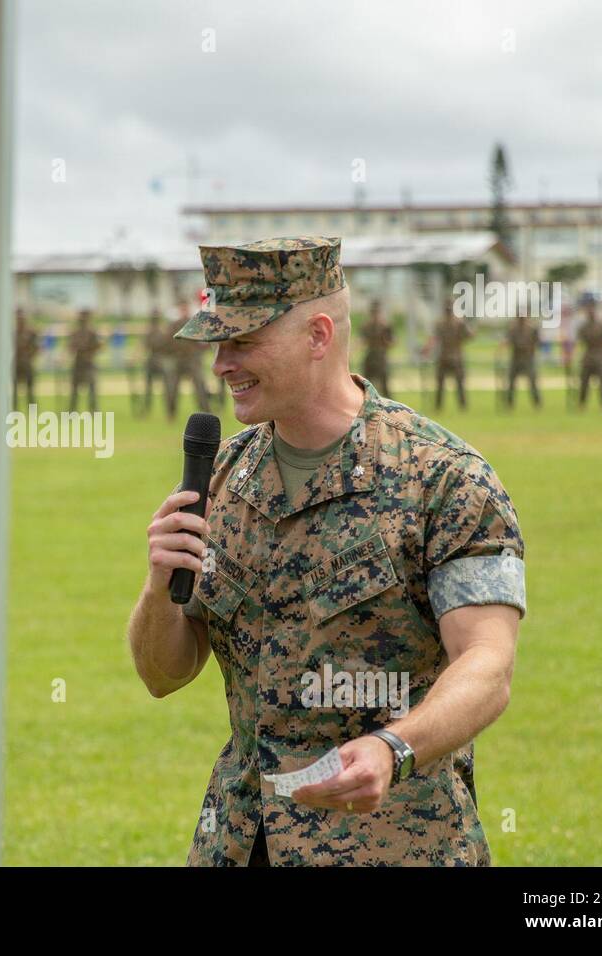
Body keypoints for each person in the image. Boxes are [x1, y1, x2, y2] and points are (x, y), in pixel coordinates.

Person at [126, 236, 526, 866]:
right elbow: (163, 674)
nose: (221, 365)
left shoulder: (443, 477)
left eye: (243, 342)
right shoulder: (224, 477)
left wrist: (394, 746)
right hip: (239, 840)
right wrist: (159, 588)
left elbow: (487, 665)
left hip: (391, 845)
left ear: (317, 335)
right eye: (217, 345)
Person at [165, 301, 213, 419]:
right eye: (182, 308)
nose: (184, 311)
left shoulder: (195, 323)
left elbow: (203, 341)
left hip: (192, 359)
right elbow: (167, 342)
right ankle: (171, 413)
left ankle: (206, 412)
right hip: (178, 359)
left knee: (199, 386)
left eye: (185, 308)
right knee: (172, 388)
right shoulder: (174, 325)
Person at [432, 301, 472, 411]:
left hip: (455, 356)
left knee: (459, 383)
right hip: (445, 357)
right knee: (440, 384)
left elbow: (469, 335)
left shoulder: (459, 323)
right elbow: (435, 338)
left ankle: (462, 406)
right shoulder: (441, 323)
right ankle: (438, 406)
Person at [576, 299, 602, 409]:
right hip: (588, 354)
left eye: (592, 309)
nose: (590, 312)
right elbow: (581, 340)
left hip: (600, 354)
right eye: (588, 309)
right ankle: (582, 403)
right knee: (584, 381)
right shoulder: (583, 327)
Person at [505, 313, 542, 409]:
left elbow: (538, 341)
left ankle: (536, 402)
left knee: (532, 381)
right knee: (511, 381)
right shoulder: (513, 329)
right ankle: (509, 403)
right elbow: (508, 341)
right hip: (516, 358)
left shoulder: (532, 328)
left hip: (528, 358)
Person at [68, 309, 102, 412]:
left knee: (92, 388)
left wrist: (90, 354)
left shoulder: (93, 333)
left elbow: (99, 346)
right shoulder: (75, 332)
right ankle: (72, 411)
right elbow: (70, 346)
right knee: (74, 389)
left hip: (88, 363)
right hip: (78, 362)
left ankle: (94, 410)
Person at [142, 308, 172, 417]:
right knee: (150, 388)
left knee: (165, 387)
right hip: (155, 359)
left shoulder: (158, 331)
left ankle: (168, 410)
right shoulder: (157, 331)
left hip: (158, 360)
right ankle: (148, 409)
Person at [360, 300, 394, 398]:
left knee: (385, 386)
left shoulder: (386, 325)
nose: (375, 314)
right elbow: (362, 340)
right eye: (373, 312)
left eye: (376, 312)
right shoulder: (366, 326)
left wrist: (386, 341)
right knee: (366, 385)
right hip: (370, 356)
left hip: (381, 356)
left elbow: (392, 341)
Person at [13, 307, 39, 410]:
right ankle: (14, 410)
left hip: (27, 363)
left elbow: (36, 347)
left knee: (30, 390)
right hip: (16, 364)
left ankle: (32, 411)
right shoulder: (13, 333)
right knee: (15, 390)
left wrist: (29, 355)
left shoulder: (31, 332)